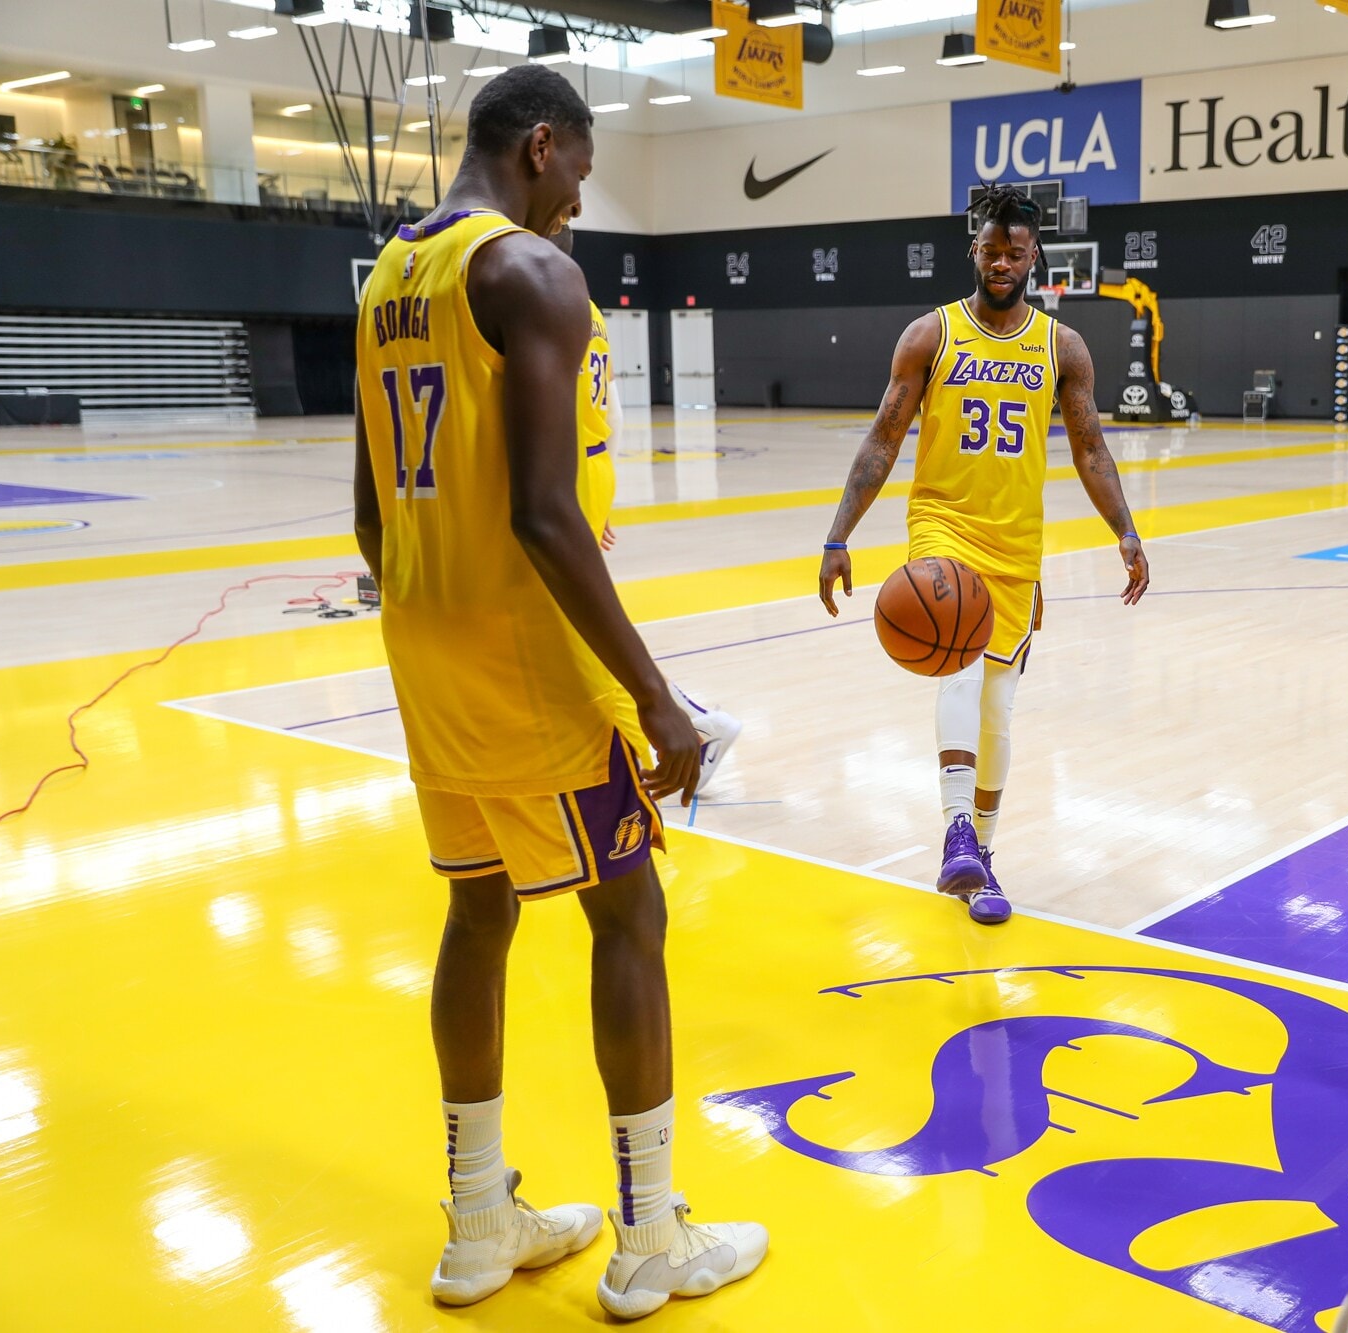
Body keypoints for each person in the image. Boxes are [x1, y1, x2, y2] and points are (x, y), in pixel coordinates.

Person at [350, 65, 765, 1319]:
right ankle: (649, 1238)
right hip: (529, 667)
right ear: (541, 146)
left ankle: (478, 1222)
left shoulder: (386, 278)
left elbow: (373, 516)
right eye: (579, 173)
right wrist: (654, 700)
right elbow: (542, 513)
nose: (579, 204)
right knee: (626, 915)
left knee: (479, 916)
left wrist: (444, 611)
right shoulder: (530, 275)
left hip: (423, 649)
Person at [817, 184, 1150, 924]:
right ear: (974, 249)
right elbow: (882, 439)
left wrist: (1125, 530)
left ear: (1035, 257)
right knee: (960, 663)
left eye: (1016, 252)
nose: (1002, 263)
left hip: (1016, 546)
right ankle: (957, 826)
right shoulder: (930, 336)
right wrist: (839, 534)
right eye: (992, 250)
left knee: (999, 709)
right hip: (944, 530)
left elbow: (1091, 447)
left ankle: (983, 860)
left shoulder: (1062, 346)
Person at [553, 223, 742, 795]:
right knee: (573, 625)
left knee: (575, 631)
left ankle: (693, 727)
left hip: (566, 469)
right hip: (589, 466)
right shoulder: (588, 309)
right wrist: (596, 493)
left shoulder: (538, 298)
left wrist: (574, 493)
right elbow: (610, 411)